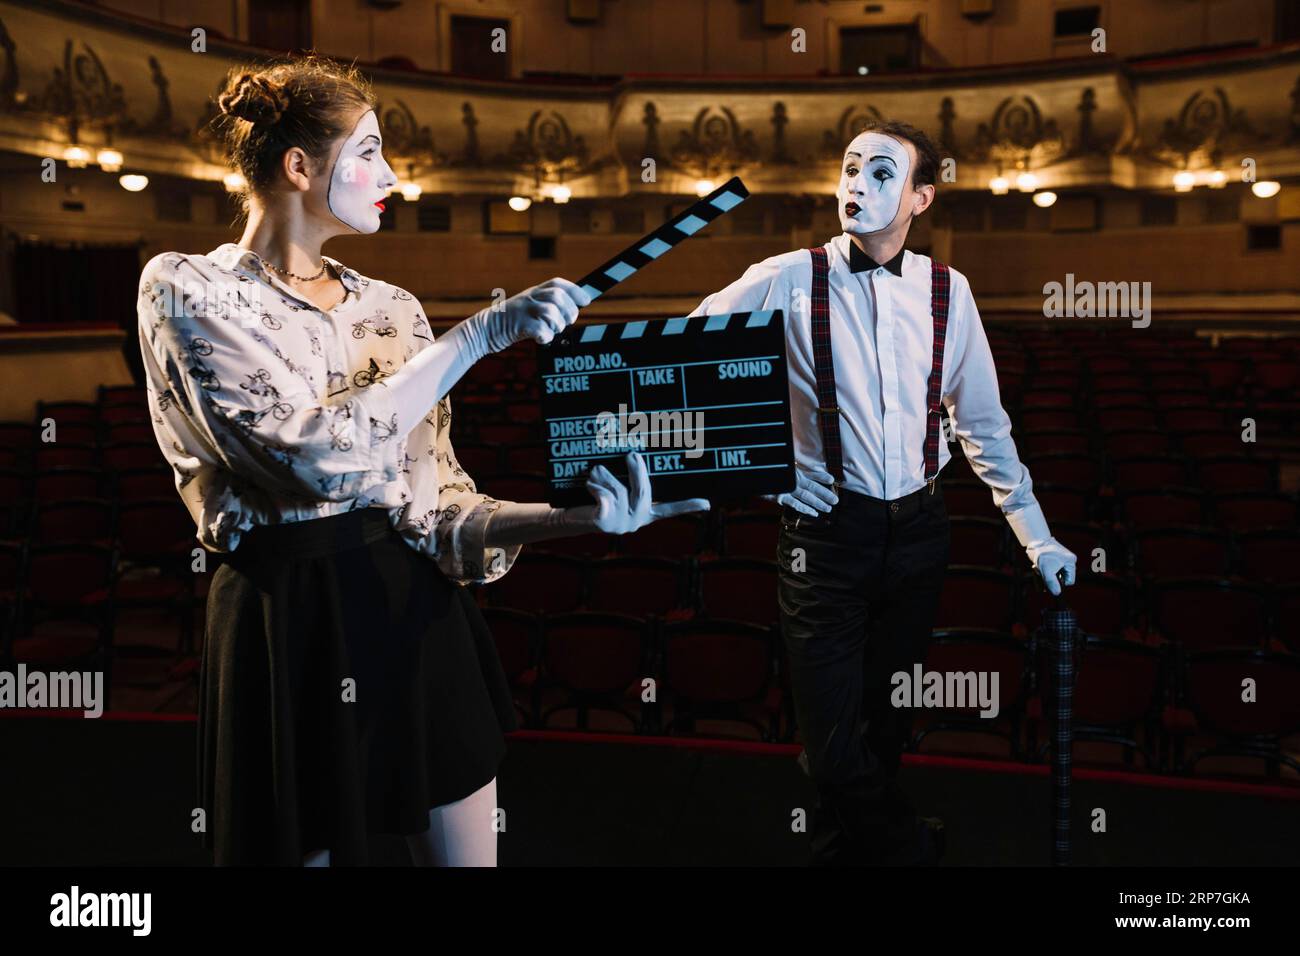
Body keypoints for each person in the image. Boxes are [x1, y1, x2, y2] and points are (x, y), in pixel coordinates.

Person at [137, 56, 708, 867]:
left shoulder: (395, 310)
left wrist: (576, 520)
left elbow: (436, 510)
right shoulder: (187, 288)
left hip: (413, 608)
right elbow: (313, 462)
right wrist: (475, 338)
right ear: (300, 167)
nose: (392, 176)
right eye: (370, 153)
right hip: (287, 620)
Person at [689, 120, 1076, 865]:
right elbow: (683, 369)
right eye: (849, 168)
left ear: (920, 198)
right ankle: (911, 850)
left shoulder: (947, 290)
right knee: (831, 748)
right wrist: (765, 468)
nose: (856, 185)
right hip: (826, 542)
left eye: (880, 174)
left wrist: (1039, 535)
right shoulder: (783, 276)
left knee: (885, 724)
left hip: (922, 536)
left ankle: (860, 857)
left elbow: (984, 426)